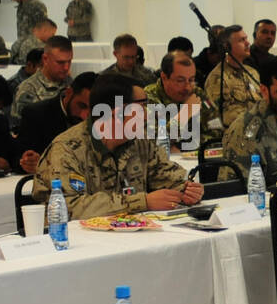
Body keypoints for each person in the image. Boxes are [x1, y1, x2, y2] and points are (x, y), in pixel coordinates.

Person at [33, 74, 202, 218]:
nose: (146, 116)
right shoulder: (66, 150)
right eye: (141, 108)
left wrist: (186, 190)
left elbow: (164, 175)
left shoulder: (140, 140)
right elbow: (70, 207)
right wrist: (142, 202)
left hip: (132, 233)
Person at [144, 52, 219, 147]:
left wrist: (184, 146)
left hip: (195, 157)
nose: (187, 87)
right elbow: (152, 143)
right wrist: (184, 114)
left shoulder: (197, 94)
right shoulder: (148, 98)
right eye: (180, 81)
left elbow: (217, 131)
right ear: (164, 77)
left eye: (191, 80)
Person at [19, 71, 95, 155]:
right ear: (69, 93)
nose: (84, 116)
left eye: (92, 109)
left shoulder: (101, 119)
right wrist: (34, 162)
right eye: (81, 106)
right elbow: (19, 157)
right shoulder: (35, 115)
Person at [205, 25, 262, 131]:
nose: (248, 43)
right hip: (235, 135)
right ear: (227, 46)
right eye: (242, 40)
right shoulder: (218, 77)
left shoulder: (252, 72)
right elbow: (223, 117)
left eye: (246, 38)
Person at [12, 36, 72, 122]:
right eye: (60, 62)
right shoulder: (28, 90)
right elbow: (19, 129)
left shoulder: (70, 84)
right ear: (45, 59)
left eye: (69, 61)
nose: (66, 68)